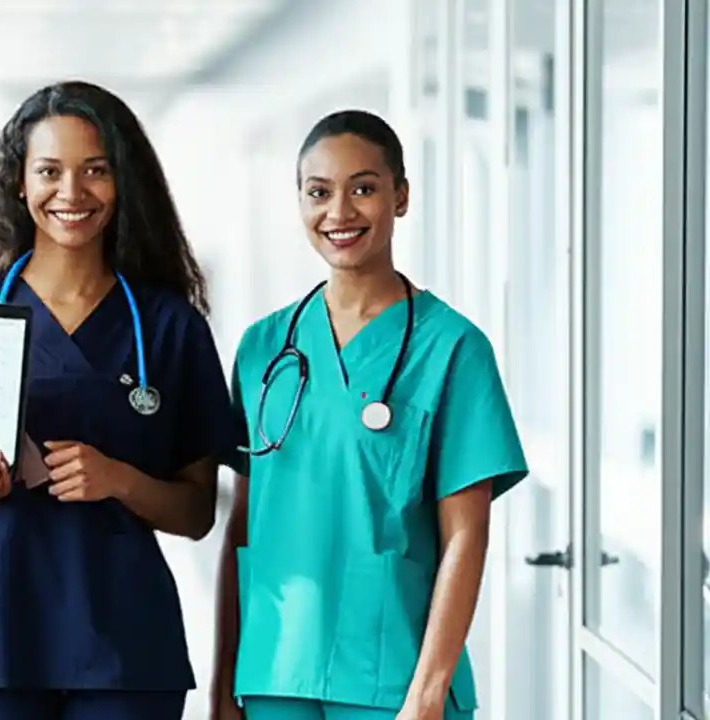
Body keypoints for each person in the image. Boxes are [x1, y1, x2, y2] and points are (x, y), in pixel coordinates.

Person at [0, 80, 239, 720]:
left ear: (125, 183)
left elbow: (196, 511)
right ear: (19, 182)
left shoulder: (169, 325)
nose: (72, 193)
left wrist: (116, 479)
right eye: (50, 171)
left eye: (96, 171)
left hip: (124, 647)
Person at [211, 110, 527, 720]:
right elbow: (244, 527)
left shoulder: (452, 348)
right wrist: (225, 686)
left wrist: (429, 693)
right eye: (319, 192)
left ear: (399, 196)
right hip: (277, 675)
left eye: (363, 188)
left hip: (396, 681)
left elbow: (467, 532)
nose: (340, 213)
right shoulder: (263, 349)